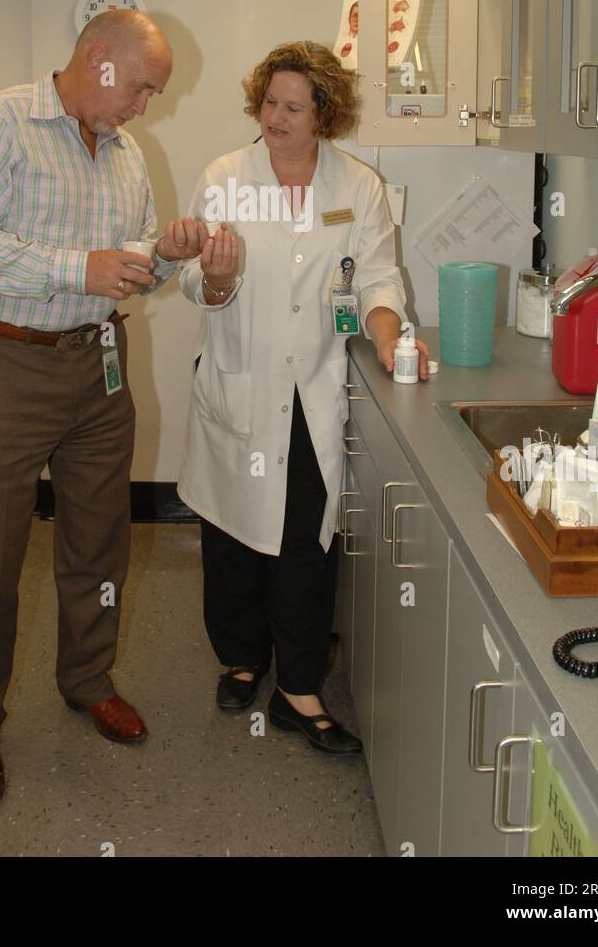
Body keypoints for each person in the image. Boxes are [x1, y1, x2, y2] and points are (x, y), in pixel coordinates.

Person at [0, 10, 206, 805]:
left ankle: (87, 678)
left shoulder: (125, 153)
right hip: (2, 367)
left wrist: (163, 257)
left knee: (98, 542)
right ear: (97, 59)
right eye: (143, 87)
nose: (145, 107)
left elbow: (130, 266)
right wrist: (72, 268)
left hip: (97, 370)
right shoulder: (3, 119)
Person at [177, 41, 429, 755]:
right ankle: (240, 656)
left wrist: (386, 337)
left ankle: (297, 683)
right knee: (229, 533)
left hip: (315, 389)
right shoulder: (225, 177)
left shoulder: (357, 185)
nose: (275, 118)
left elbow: (378, 278)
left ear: (324, 113)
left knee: (304, 540)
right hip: (239, 379)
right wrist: (217, 280)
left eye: (293, 106)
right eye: (268, 103)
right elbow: (194, 280)